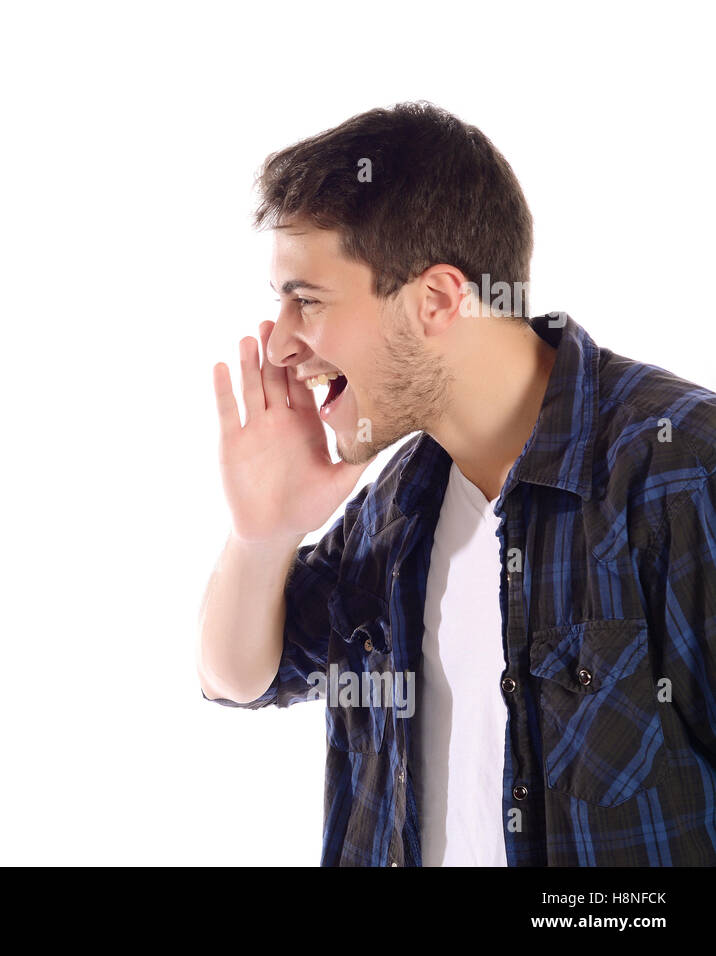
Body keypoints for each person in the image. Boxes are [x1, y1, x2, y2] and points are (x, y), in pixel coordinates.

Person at [198, 101, 716, 866]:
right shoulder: (397, 501)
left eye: (305, 298)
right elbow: (240, 675)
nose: (276, 344)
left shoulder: (679, 469)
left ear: (437, 299)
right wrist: (263, 534)